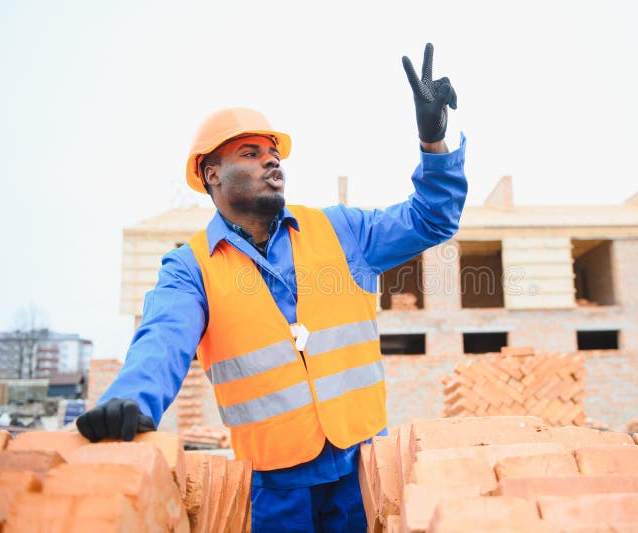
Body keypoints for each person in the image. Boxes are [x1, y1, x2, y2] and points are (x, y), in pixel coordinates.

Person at [77, 43, 466, 532]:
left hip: (364, 473)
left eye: (274, 153)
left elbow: (433, 218)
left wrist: (434, 142)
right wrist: (131, 400)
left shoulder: (340, 230)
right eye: (251, 153)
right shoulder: (190, 267)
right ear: (210, 173)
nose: (272, 162)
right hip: (277, 494)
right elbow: (163, 339)